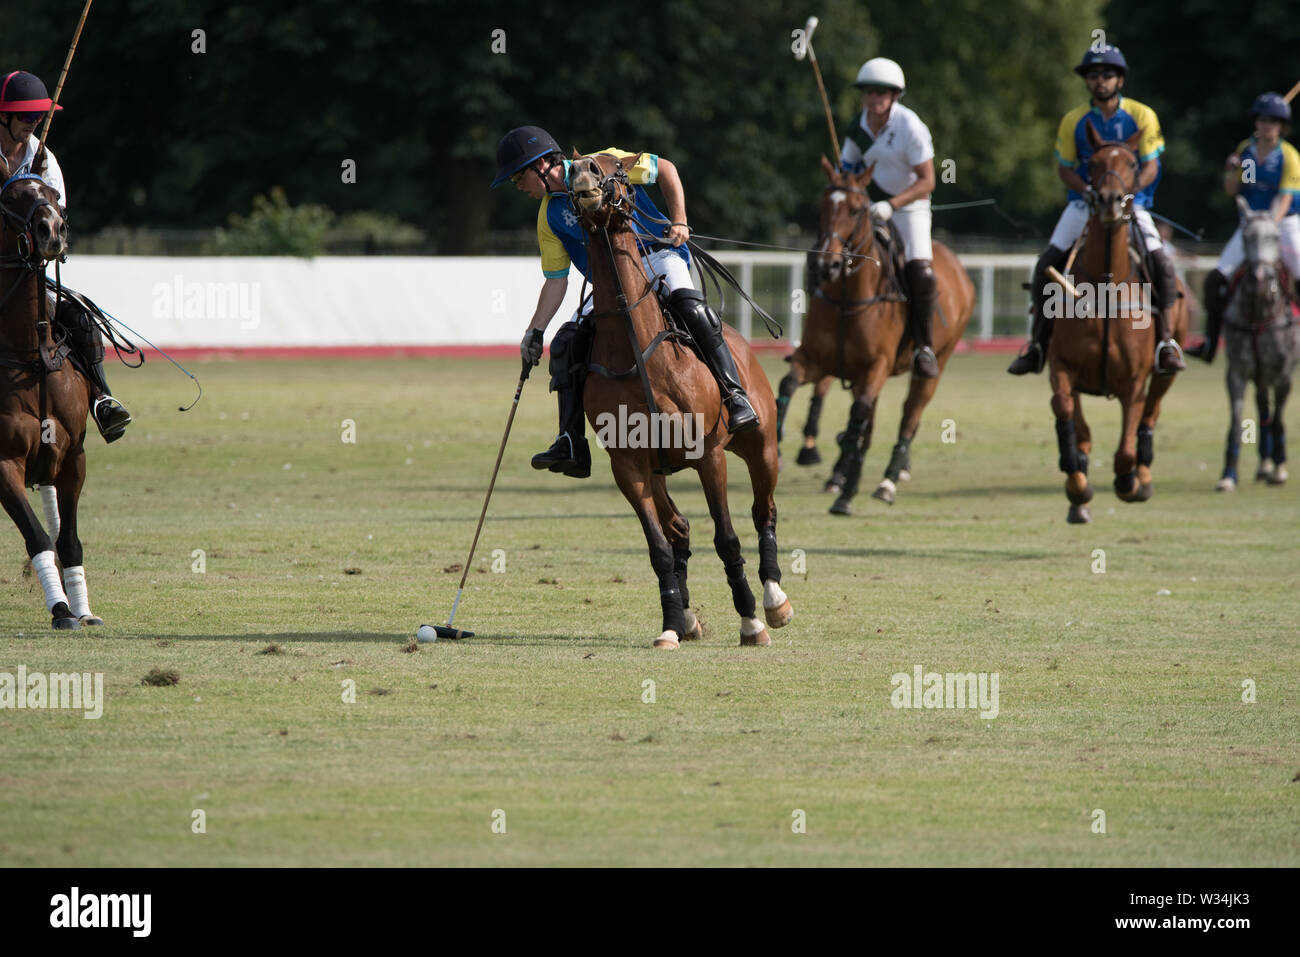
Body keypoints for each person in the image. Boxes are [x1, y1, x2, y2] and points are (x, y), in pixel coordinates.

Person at [490, 126, 757, 479]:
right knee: (568, 343)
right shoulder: (548, 216)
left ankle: (735, 395)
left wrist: (680, 220)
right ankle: (571, 440)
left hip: (657, 257)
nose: (517, 186)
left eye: (517, 177)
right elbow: (556, 282)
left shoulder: (605, 163)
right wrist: (534, 332)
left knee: (691, 308)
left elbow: (667, 170)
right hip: (607, 285)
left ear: (541, 165)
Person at [1007, 45, 1186, 376]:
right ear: (1087, 83)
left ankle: (1165, 343)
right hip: (1084, 205)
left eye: (1107, 75)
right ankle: (1036, 344)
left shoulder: (1141, 115)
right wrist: (1088, 191)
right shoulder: (1074, 120)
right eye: (1093, 76)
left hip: (1133, 205)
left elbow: (1151, 165)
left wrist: (1129, 193)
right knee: (1047, 264)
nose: (1100, 81)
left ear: (1119, 79)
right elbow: (1065, 168)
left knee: (1160, 262)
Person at [0, 70, 131, 441]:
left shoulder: (43, 159)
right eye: (26, 117)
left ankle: (102, 400)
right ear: (3, 116)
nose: (34, 124)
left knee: (82, 318)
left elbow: (56, 214)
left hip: (25, 273)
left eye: (38, 117)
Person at [839, 57, 940, 378]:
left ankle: (923, 347)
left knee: (920, 271)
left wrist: (892, 205)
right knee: (831, 253)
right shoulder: (858, 127)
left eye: (883, 92)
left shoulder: (910, 126)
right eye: (870, 92)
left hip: (911, 207)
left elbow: (928, 180)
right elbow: (848, 171)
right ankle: (822, 334)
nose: (875, 98)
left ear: (895, 95)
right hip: (870, 207)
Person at [1188, 92, 1300, 363]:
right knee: (1216, 280)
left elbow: (1285, 197)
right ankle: (1210, 344)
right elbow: (1236, 190)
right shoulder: (1246, 152)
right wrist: (1230, 171)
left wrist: (1267, 226)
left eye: (1272, 121)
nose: (1266, 126)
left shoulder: (1288, 155)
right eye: (1262, 120)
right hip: (1251, 223)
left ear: (1281, 126)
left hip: (1282, 224)